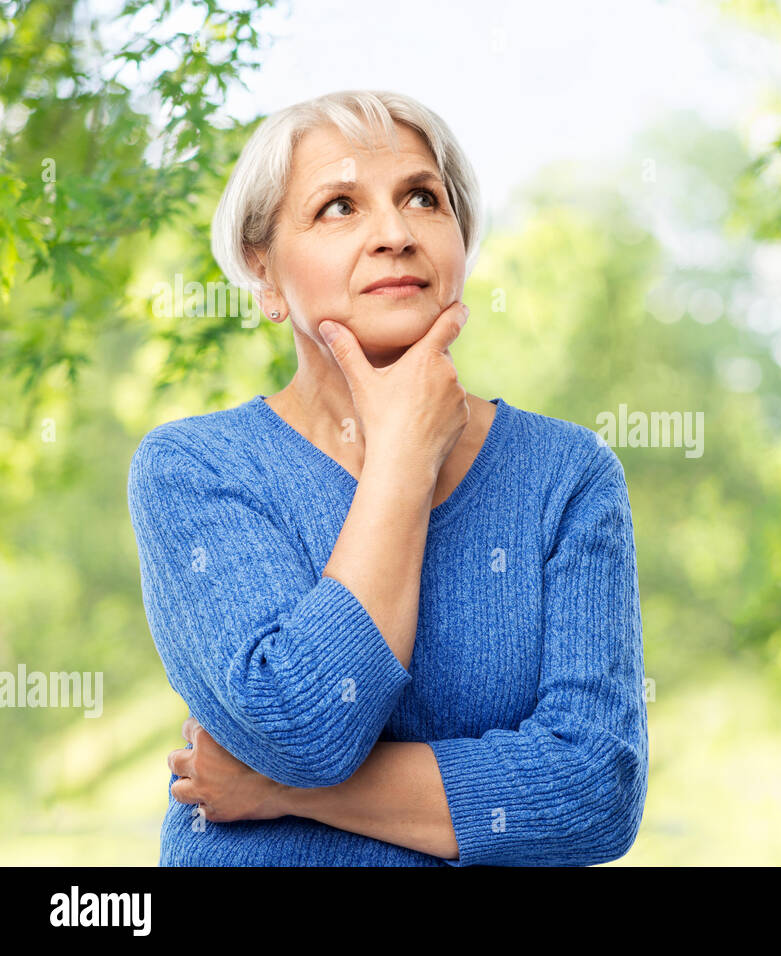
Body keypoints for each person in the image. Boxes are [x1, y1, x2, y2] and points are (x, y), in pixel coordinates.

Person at [126, 90, 648, 866]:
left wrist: (280, 791)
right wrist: (405, 456)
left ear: (460, 241)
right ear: (264, 271)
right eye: (339, 207)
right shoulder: (195, 468)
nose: (395, 234)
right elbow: (302, 727)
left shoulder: (567, 477)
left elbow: (593, 792)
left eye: (422, 199)